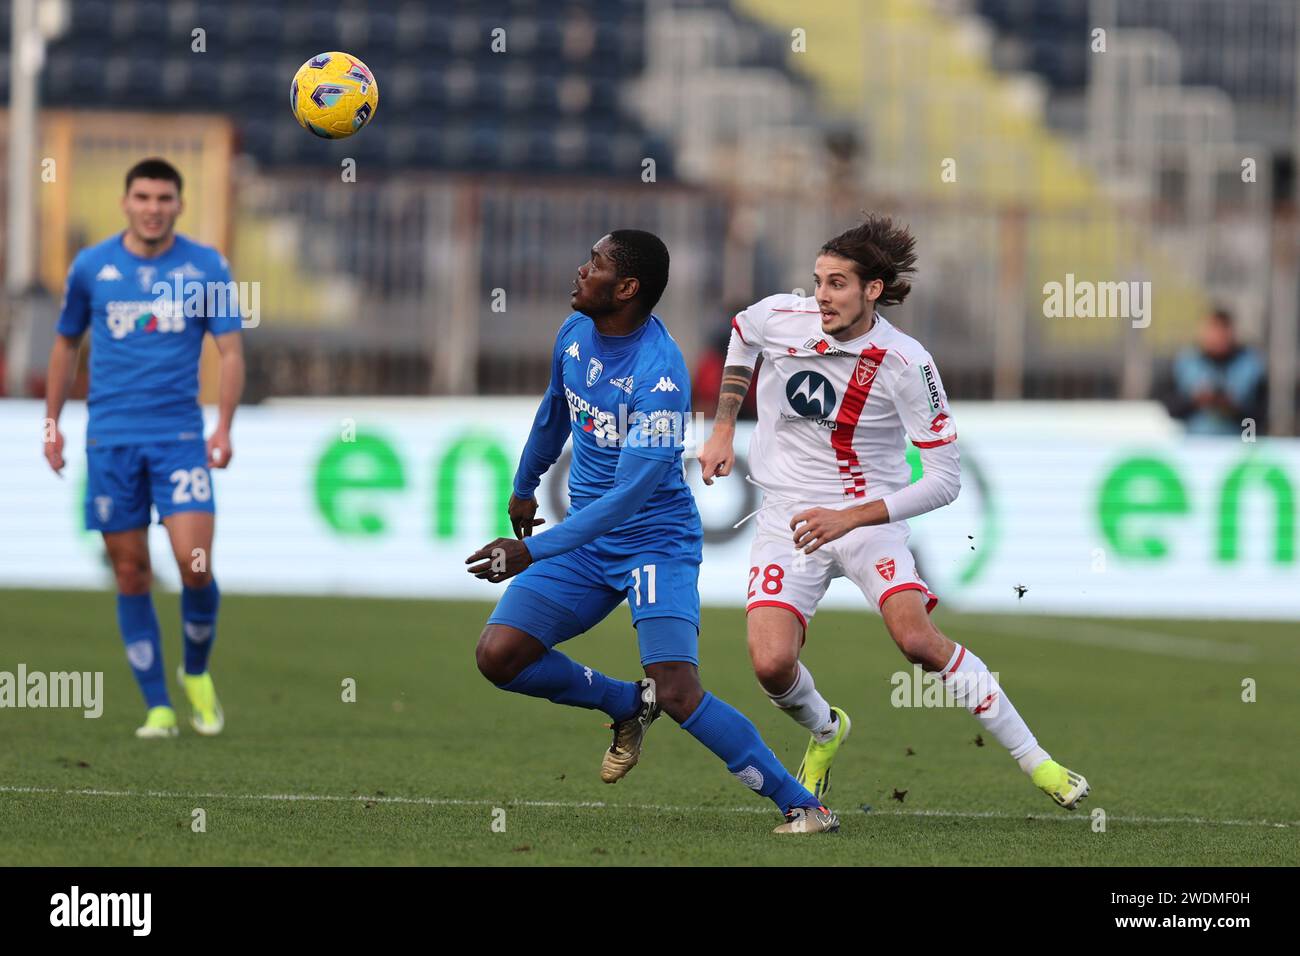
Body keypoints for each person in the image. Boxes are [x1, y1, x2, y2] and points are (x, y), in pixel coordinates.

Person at [697, 214, 1090, 810]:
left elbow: (945, 480)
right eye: (818, 281)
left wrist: (853, 518)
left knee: (917, 642)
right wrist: (724, 426)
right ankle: (827, 729)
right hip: (786, 518)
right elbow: (742, 336)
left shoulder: (907, 363)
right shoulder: (782, 316)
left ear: (872, 290)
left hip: (865, 521)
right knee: (771, 664)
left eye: (836, 284)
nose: (821, 296)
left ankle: (1039, 762)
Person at [467, 230, 838, 834]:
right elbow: (553, 411)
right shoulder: (574, 334)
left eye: (595, 264)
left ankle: (804, 805)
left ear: (628, 288)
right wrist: (524, 485)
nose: (580, 271)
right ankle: (623, 703)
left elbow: (625, 500)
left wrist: (530, 551)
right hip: (587, 543)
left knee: (678, 690)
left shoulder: (661, 377)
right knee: (499, 655)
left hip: (651, 542)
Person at [43, 158, 245, 738]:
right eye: (143, 196)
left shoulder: (207, 267)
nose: (153, 207)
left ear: (179, 205)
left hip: (180, 440)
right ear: (125, 202)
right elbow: (64, 346)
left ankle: (196, 672)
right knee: (130, 573)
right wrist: (51, 423)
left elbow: (230, 353)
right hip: (110, 442)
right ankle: (158, 707)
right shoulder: (92, 267)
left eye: (164, 198)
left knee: (194, 565)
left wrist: (223, 427)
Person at [1166, 308, 1266, 435]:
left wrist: (1230, 407)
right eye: (1214, 330)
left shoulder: (1251, 364)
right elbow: (1171, 409)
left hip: (1238, 445)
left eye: (1223, 331)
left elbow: (1261, 415)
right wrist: (1197, 400)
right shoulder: (1185, 362)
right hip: (1193, 446)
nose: (1218, 337)